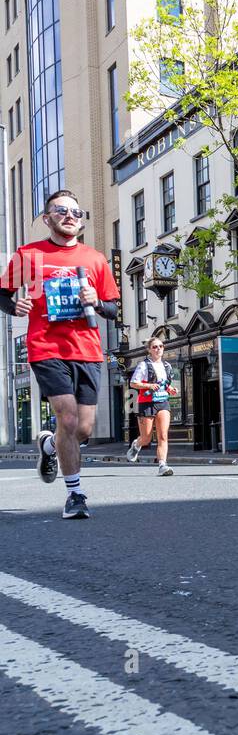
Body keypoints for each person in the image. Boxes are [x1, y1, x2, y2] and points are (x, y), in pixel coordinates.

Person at [0, 189, 120, 520]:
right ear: (47, 217)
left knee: (82, 428)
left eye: (75, 212)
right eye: (61, 211)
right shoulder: (28, 256)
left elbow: (112, 309)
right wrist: (15, 305)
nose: (70, 216)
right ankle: (75, 494)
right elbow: (2, 294)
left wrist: (95, 300)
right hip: (46, 346)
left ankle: (50, 446)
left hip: (87, 348)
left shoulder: (95, 260)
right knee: (66, 417)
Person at [127, 336, 177, 476]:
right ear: (149, 350)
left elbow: (165, 385)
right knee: (146, 438)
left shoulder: (167, 366)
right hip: (146, 403)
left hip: (162, 402)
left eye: (160, 346)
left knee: (163, 435)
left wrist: (170, 389)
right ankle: (136, 445)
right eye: (154, 347)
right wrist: (149, 385)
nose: (158, 349)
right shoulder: (143, 365)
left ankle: (162, 465)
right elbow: (133, 383)